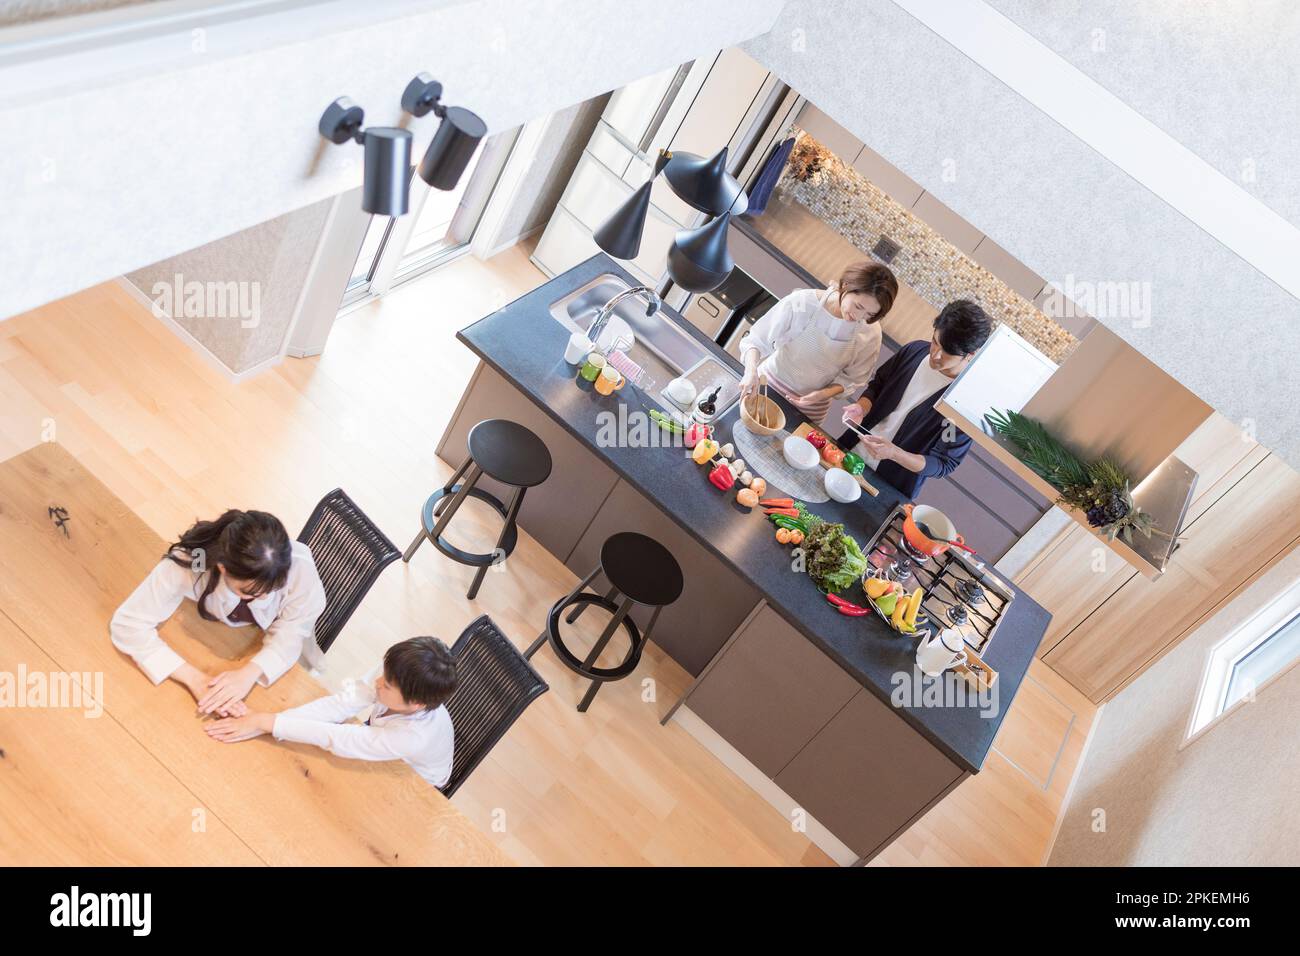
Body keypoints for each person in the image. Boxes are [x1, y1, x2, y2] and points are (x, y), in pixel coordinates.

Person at [110, 509, 326, 715]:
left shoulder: (301, 571)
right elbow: (129, 624)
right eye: (249, 591)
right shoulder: (195, 561)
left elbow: (290, 637)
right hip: (222, 640)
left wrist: (249, 673)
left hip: (273, 659)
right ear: (223, 568)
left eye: (270, 590)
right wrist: (194, 679)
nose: (262, 597)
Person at [203, 636, 459, 790]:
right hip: (378, 738)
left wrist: (266, 721)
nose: (378, 681)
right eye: (383, 674)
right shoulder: (395, 674)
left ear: (415, 704)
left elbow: (340, 739)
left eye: (387, 685)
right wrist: (270, 724)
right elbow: (340, 705)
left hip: (413, 780)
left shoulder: (413, 737)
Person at [837, 299, 993, 499]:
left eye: (948, 352)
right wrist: (861, 407)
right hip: (848, 451)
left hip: (887, 486)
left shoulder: (963, 403)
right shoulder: (914, 351)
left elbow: (942, 463)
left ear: (970, 354)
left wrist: (894, 454)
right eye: (936, 342)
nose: (935, 355)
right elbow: (878, 385)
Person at [738, 261, 898, 426]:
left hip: (810, 409)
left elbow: (853, 379)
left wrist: (823, 394)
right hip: (766, 387)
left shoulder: (870, 332)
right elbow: (756, 339)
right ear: (846, 285)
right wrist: (750, 372)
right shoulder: (804, 302)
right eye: (858, 306)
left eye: (869, 314)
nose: (859, 316)